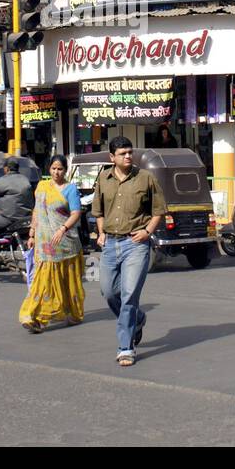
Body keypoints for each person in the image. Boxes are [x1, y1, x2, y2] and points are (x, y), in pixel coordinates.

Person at [91, 136, 165, 367]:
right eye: (123, 153)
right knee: (108, 292)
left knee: (129, 295)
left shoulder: (146, 178)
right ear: (111, 157)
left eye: (130, 152)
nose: (128, 157)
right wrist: (101, 232)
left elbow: (159, 210)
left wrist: (148, 232)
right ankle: (138, 319)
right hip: (110, 244)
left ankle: (125, 347)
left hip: (136, 244)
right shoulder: (103, 178)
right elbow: (98, 210)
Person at [18, 156, 85, 333]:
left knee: (67, 281)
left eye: (60, 169)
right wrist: (31, 233)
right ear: (49, 169)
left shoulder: (70, 189)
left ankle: (73, 313)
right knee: (43, 280)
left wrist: (62, 229)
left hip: (65, 243)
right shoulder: (42, 187)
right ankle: (34, 317)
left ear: (66, 170)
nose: (56, 172)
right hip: (43, 243)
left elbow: (76, 213)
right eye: (54, 168)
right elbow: (36, 211)